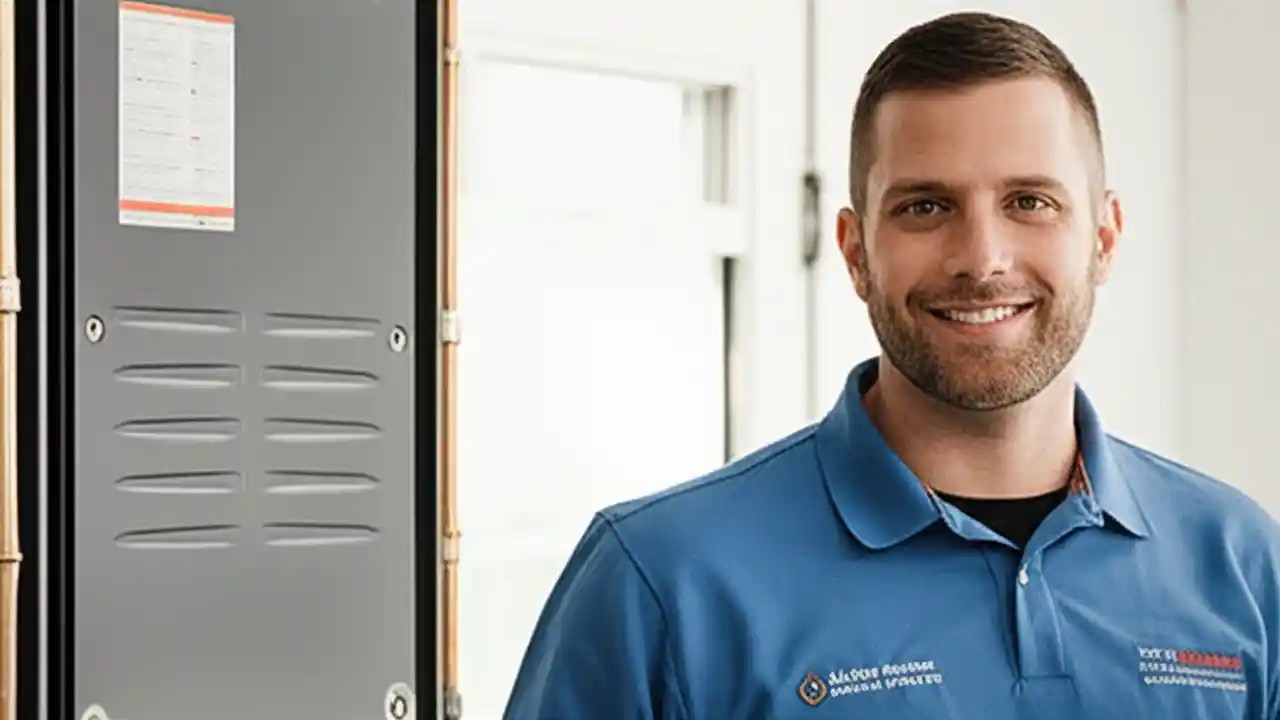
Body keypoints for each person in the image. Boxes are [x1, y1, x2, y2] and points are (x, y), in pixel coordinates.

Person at [503, 11, 1280, 719]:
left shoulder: (1241, 562)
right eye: (925, 207)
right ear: (854, 251)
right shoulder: (663, 581)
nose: (982, 259)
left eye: (1030, 202)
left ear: (1104, 237)